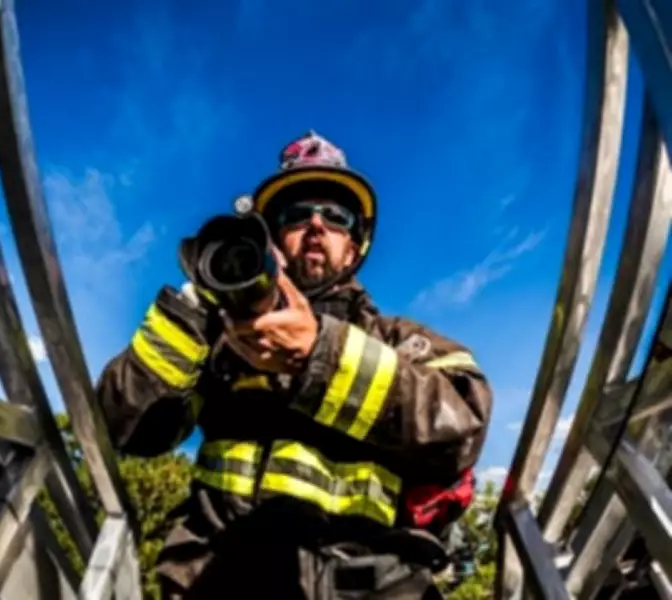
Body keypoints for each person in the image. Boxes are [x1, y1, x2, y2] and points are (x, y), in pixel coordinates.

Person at [95, 131, 493, 599]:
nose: (316, 226)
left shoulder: (402, 341)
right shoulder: (220, 343)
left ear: (356, 243)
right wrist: (191, 315)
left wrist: (318, 354)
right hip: (219, 581)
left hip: (375, 583)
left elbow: (463, 430)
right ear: (272, 241)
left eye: (336, 216)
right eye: (296, 215)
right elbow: (123, 428)